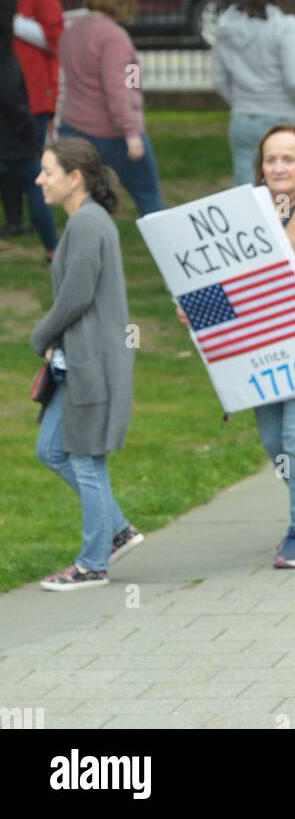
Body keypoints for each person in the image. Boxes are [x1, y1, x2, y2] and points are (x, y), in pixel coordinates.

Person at [177, 123, 295, 568]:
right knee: (272, 443)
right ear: (260, 166)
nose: (278, 167)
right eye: (270, 159)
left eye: (288, 159)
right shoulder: (247, 214)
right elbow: (233, 284)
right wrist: (198, 309)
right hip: (258, 349)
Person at [30, 138, 142, 589]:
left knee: (85, 459)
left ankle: (93, 563)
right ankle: (117, 530)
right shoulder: (85, 221)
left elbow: (74, 298)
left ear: (74, 177)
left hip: (92, 364)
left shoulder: (87, 225)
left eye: (47, 171)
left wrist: (39, 336)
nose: (39, 179)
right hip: (80, 363)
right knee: (51, 449)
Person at [57, 0, 163, 216]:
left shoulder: (72, 32)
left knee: (88, 201)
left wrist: (134, 74)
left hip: (74, 127)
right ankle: (166, 249)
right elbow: (120, 89)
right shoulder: (114, 37)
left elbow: (128, 77)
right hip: (111, 133)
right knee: (148, 195)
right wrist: (131, 131)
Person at [212, 0, 295, 185]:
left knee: (248, 195)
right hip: (284, 118)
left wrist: (241, 102)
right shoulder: (286, 25)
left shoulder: (227, 24)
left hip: (243, 117)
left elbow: (219, 79)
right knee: (288, 192)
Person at [0, 0, 64, 238]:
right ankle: (14, 219)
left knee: (30, 166)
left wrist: (14, 24)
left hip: (31, 93)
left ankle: (48, 237)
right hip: (8, 91)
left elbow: (55, 39)